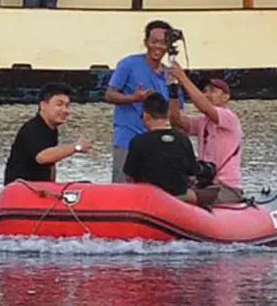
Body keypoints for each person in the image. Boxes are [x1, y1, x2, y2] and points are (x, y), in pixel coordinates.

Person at [103, 20, 184, 181]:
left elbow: (175, 114)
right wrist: (134, 98)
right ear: (146, 42)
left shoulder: (170, 74)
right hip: (128, 140)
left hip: (155, 145)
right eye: (154, 42)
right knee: (123, 189)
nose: (159, 47)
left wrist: (174, 87)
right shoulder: (128, 64)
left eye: (164, 43)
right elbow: (109, 95)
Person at [119, 91, 201, 202]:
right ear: (167, 114)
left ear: (146, 115)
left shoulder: (138, 141)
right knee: (195, 195)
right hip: (178, 197)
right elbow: (192, 174)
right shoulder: (182, 138)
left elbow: (129, 176)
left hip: (149, 198)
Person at [3, 83, 91, 183]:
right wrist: (76, 147)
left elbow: (51, 164)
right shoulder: (32, 128)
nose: (65, 110)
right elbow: (43, 157)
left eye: (67, 106)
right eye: (59, 104)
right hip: (21, 189)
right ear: (43, 105)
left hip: (40, 188)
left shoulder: (51, 129)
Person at [180, 69, 246, 201]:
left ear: (226, 97)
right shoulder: (202, 122)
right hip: (205, 184)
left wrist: (182, 78)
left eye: (213, 91)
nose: (208, 95)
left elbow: (204, 107)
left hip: (226, 186)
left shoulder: (229, 117)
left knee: (182, 197)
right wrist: (172, 92)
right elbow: (177, 120)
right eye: (205, 91)